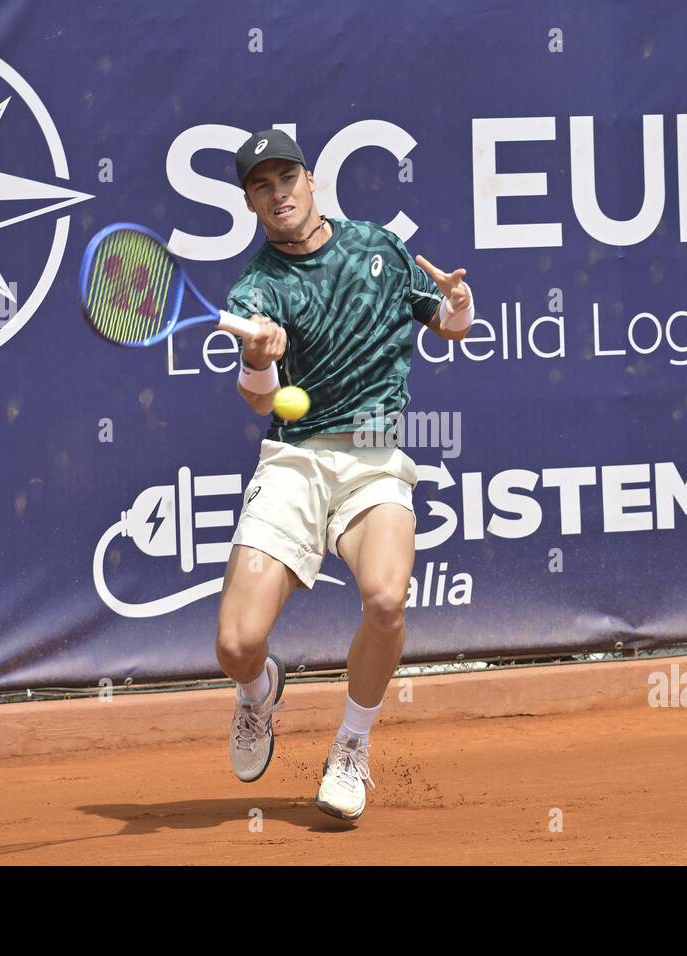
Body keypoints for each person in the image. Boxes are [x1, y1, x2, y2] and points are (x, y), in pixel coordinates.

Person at [218, 129, 474, 821]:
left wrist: (455, 306)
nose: (279, 196)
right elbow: (262, 399)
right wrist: (261, 359)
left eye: (287, 180)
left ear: (311, 180)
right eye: (262, 187)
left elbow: (445, 323)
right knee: (236, 644)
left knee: (387, 600)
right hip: (295, 459)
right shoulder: (257, 289)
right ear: (250, 203)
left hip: (374, 457)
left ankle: (352, 748)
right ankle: (256, 695)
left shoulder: (380, 249)